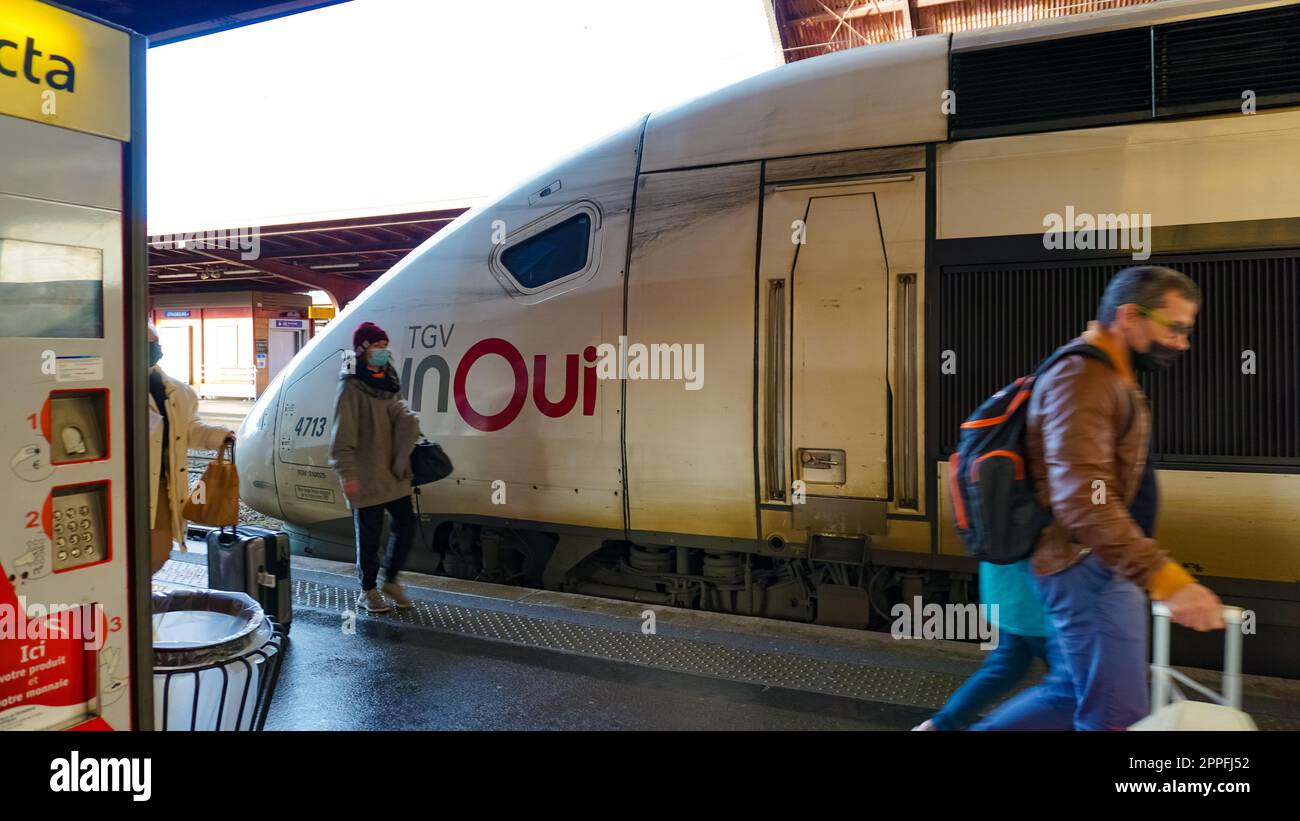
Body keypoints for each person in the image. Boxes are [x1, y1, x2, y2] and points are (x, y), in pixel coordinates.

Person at [975, 266, 1225, 731]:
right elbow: (1085, 498)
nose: (1182, 344)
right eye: (1175, 328)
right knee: (1115, 717)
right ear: (1129, 316)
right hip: (1088, 568)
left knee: (1071, 695)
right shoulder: (1083, 377)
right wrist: (1167, 580)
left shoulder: (1101, 373)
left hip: (1095, 565)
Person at [328, 321, 424, 614]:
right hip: (365, 475)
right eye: (378, 347)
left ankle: (391, 579)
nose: (383, 352)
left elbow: (399, 413)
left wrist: (409, 421)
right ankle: (367, 590)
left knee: (406, 526)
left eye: (385, 346)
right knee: (369, 538)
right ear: (362, 350)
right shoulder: (350, 387)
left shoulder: (390, 380)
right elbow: (341, 439)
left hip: (393, 472)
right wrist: (348, 477)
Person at [913, 559, 1055, 730]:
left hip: (1004, 590)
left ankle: (938, 725)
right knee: (1068, 687)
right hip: (1044, 603)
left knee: (1005, 665)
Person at [147, 324, 235, 575]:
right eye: (148, 344)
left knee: (159, 550)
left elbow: (189, 430)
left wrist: (218, 436)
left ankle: (140, 599)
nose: (154, 349)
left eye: (155, 343)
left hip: (162, 487)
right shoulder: (114, 384)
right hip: (124, 487)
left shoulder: (177, 391)